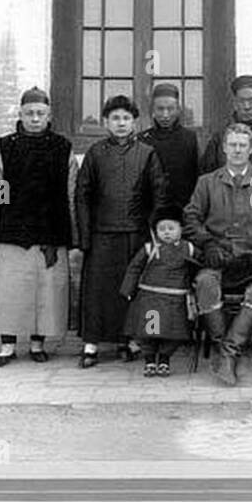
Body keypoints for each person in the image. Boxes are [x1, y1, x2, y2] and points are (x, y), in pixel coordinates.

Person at [184, 122, 252, 386]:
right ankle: (228, 350)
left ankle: (228, 351)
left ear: (251, 149)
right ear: (224, 148)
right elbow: (191, 218)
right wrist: (207, 243)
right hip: (218, 258)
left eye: (242, 145)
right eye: (232, 144)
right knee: (205, 283)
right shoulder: (207, 183)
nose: (237, 150)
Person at [0, 86, 76, 367]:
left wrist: (73, 233)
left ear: (49, 116)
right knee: (8, 290)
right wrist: (6, 210)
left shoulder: (62, 148)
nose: (35, 118)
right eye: (29, 113)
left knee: (45, 292)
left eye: (40, 113)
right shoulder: (5, 147)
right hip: (13, 231)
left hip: (50, 231)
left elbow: (70, 191)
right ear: (20, 115)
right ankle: (7, 346)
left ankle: (37, 344)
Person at [74, 94, 169, 369]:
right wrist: (84, 236)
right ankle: (91, 344)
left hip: (135, 233)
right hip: (102, 233)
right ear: (106, 122)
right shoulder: (95, 153)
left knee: (130, 290)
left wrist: (154, 233)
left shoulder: (147, 153)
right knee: (97, 291)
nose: (121, 123)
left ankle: (127, 340)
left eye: (126, 118)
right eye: (115, 118)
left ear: (135, 122)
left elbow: (158, 194)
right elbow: (82, 195)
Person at [119, 205, 200, 377]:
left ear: (181, 229)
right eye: (162, 229)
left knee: (174, 333)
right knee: (149, 332)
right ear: (155, 231)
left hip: (176, 301)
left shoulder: (189, 248)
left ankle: (164, 359)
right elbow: (134, 268)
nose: (167, 232)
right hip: (151, 300)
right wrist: (128, 289)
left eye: (171, 228)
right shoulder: (149, 249)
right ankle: (149, 360)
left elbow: (199, 268)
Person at [199, 74, 252, 174]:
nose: (247, 106)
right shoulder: (220, 135)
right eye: (241, 101)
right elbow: (207, 172)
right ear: (235, 103)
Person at [139, 82, 200, 208]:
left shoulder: (190, 138)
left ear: (178, 110)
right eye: (160, 109)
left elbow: (198, 176)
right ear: (153, 110)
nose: (165, 115)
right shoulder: (142, 140)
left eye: (170, 109)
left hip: (183, 208)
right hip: (150, 210)